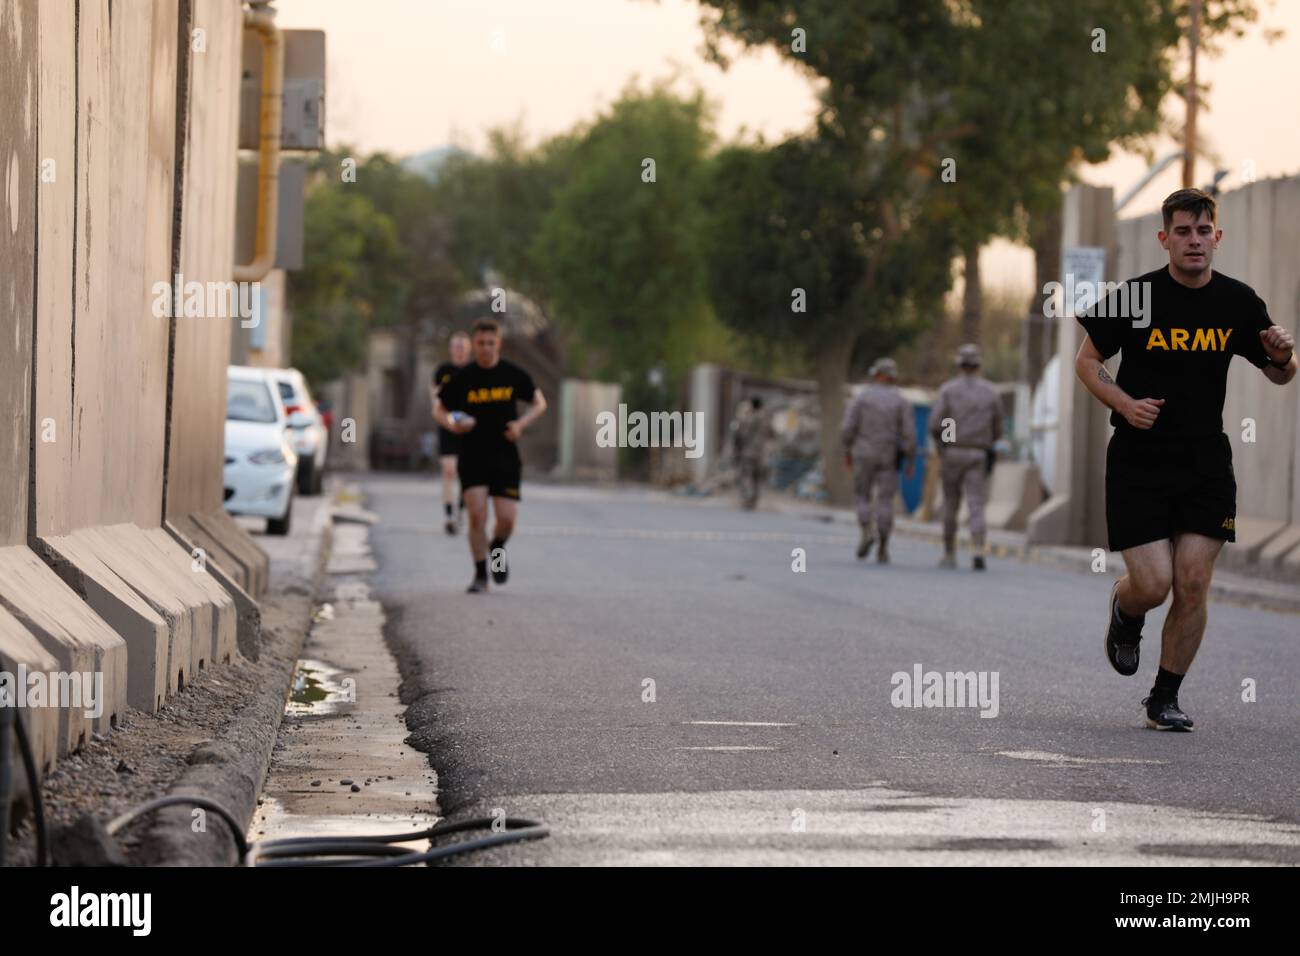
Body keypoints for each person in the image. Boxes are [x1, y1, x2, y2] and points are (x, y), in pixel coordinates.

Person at [1075, 187, 1295, 731]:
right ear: (1164, 238)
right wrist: (1125, 404)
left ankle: (1163, 697)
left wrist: (1286, 356)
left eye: (1202, 231)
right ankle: (1127, 612)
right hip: (1139, 461)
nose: (1193, 241)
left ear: (1216, 237)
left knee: (1193, 582)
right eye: (1182, 231)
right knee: (1154, 585)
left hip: (1204, 464)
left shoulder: (1239, 302)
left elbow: (1277, 372)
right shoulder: (1136, 297)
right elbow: (1088, 361)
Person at [433, 319, 548, 593]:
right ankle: (480, 575)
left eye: (491, 343)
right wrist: (453, 424)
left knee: (506, 519)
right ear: (474, 344)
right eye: (481, 343)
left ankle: (496, 548)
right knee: (476, 516)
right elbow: (439, 410)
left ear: (499, 344)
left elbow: (539, 403)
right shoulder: (462, 378)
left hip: (505, 456)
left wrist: (520, 425)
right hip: (472, 455)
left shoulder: (513, 374)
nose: (485, 348)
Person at [930, 344, 1001, 571]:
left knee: (951, 503)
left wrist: (946, 440)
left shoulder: (948, 390)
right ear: (978, 365)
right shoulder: (990, 392)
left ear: (960, 365)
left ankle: (949, 553)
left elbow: (936, 423)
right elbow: (997, 427)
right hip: (978, 452)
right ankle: (978, 549)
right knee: (976, 504)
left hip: (953, 450)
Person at [841, 358, 916, 563]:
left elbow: (848, 428)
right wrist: (910, 460)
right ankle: (883, 547)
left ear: (876, 375)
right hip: (888, 456)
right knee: (885, 500)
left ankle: (867, 529)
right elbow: (909, 434)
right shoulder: (901, 401)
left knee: (862, 496)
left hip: (863, 453)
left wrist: (847, 449)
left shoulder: (861, 398)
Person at [431, 331, 472, 535]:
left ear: (469, 349)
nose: (459, 350)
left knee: (466, 473)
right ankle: (448, 513)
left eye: (463, 346)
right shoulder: (443, 371)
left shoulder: (476, 371)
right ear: (450, 349)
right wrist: (451, 421)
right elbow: (437, 402)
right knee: (449, 470)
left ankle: (461, 511)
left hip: (470, 430)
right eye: (456, 346)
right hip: (447, 426)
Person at [730, 396, 771, 510]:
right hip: (762, 454)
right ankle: (754, 499)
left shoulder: (747, 419)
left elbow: (740, 435)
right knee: (757, 478)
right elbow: (773, 434)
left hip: (748, 452)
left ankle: (747, 499)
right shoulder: (766, 419)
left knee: (745, 476)